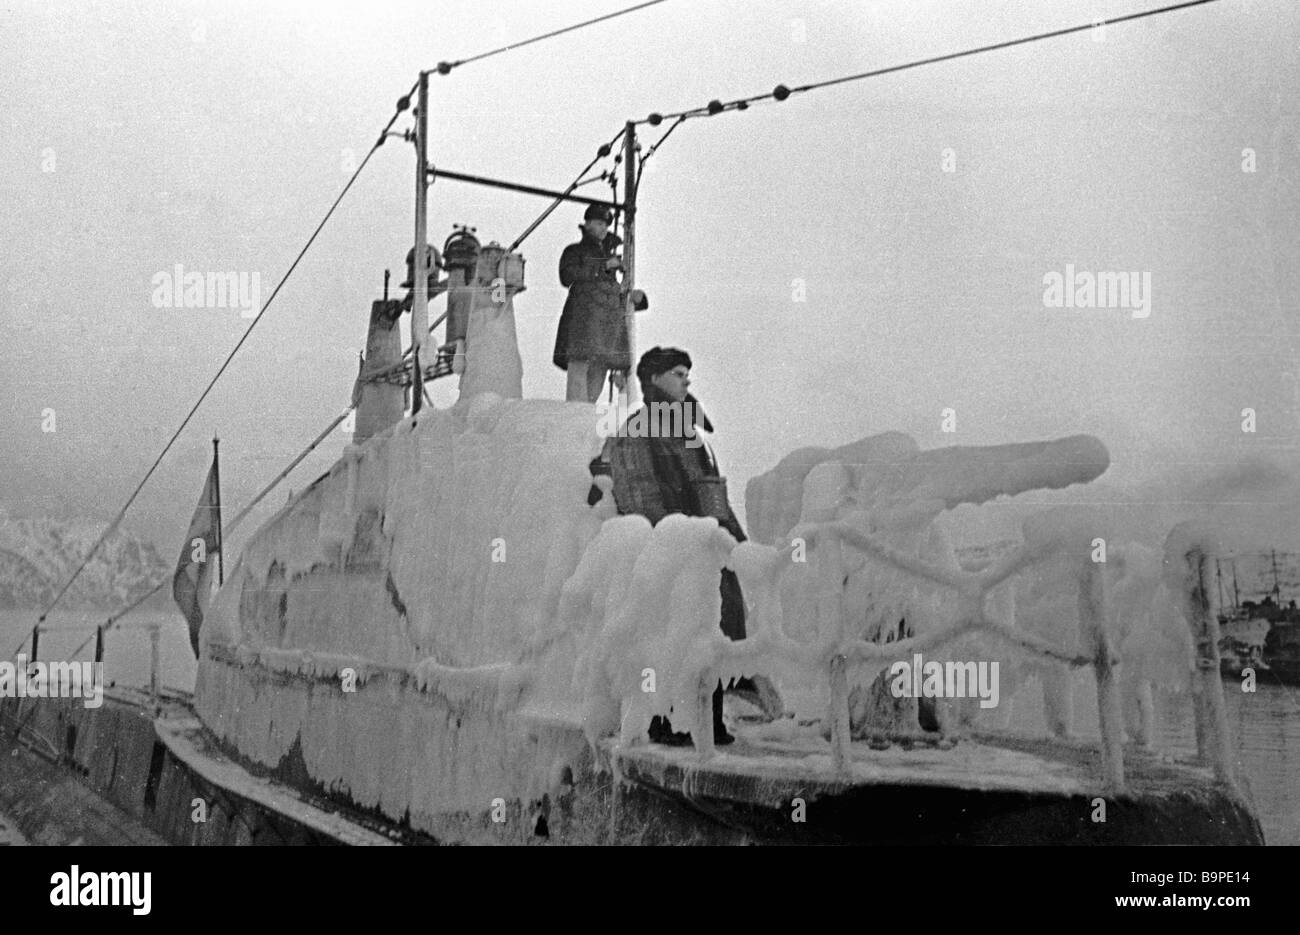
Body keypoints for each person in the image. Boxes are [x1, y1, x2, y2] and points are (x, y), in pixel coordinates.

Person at [608, 346, 759, 746]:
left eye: (687, 374)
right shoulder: (638, 431)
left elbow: (713, 494)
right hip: (673, 553)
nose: (686, 380)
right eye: (678, 373)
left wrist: (738, 547)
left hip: (706, 549)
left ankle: (708, 721)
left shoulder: (688, 434)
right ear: (655, 379)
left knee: (712, 631)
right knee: (674, 635)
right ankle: (668, 721)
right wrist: (675, 540)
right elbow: (639, 494)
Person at [553, 205, 630, 402]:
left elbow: (614, 292)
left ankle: (585, 420)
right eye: (598, 223)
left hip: (606, 328)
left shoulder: (611, 255)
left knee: (598, 375)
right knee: (578, 376)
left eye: (605, 224)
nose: (603, 228)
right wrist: (603, 267)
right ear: (587, 225)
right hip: (583, 324)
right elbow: (567, 276)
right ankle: (575, 420)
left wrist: (628, 295)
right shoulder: (574, 251)